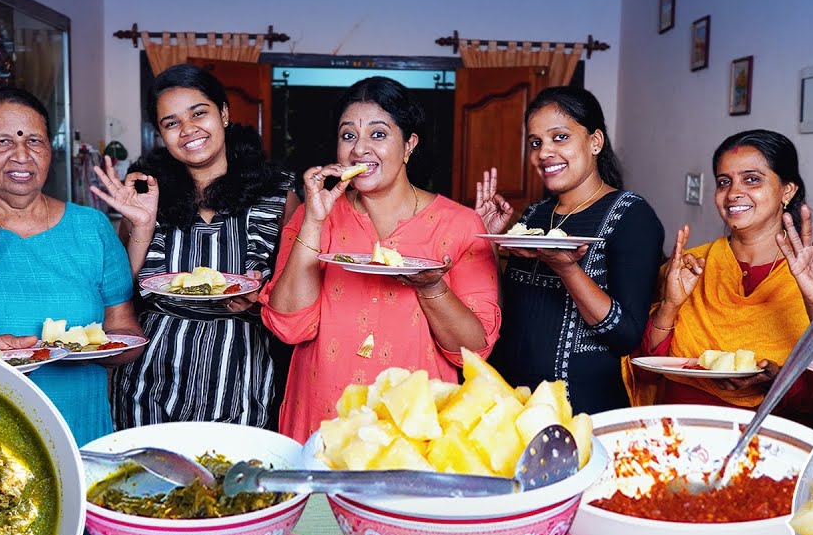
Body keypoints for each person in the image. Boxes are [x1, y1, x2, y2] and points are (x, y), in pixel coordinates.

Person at [262, 76, 501, 442]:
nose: (359, 149)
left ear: (409, 145)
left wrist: (432, 286)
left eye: (378, 134)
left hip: (414, 428)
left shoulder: (460, 225)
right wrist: (313, 220)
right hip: (324, 420)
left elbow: (472, 349)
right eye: (348, 136)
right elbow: (289, 326)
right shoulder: (313, 215)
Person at [0, 87, 140, 446]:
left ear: (50, 150)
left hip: (82, 430)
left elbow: (125, 334)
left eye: (34, 141)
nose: (21, 156)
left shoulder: (92, 228)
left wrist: (90, 348)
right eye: (4, 142)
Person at [92, 64, 297, 430]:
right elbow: (118, 293)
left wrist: (262, 297)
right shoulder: (143, 193)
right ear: (160, 133)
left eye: (199, 113)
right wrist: (141, 224)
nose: (188, 130)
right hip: (151, 381)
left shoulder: (280, 194)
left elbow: (296, 290)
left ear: (224, 113)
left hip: (240, 375)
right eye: (171, 123)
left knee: (234, 483)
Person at [623, 130, 813, 428]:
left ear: (787, 190)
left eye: (752, 179)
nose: (734, 192)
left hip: (770, 444)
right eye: (724, 182)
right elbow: (647, 369)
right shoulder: (691, 266)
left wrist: (778, 380)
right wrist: (670, 304)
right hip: (677, 435)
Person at [475, 87, 663, 415]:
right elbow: (506, 314)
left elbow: (626, 336)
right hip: (512, 404)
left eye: (559, 137)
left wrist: (567, 269)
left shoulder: (630, 215)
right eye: (536, 143)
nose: (544, 152)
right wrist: (488, 242)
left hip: (584, 409)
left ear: (595, 142)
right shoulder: (534, 215)